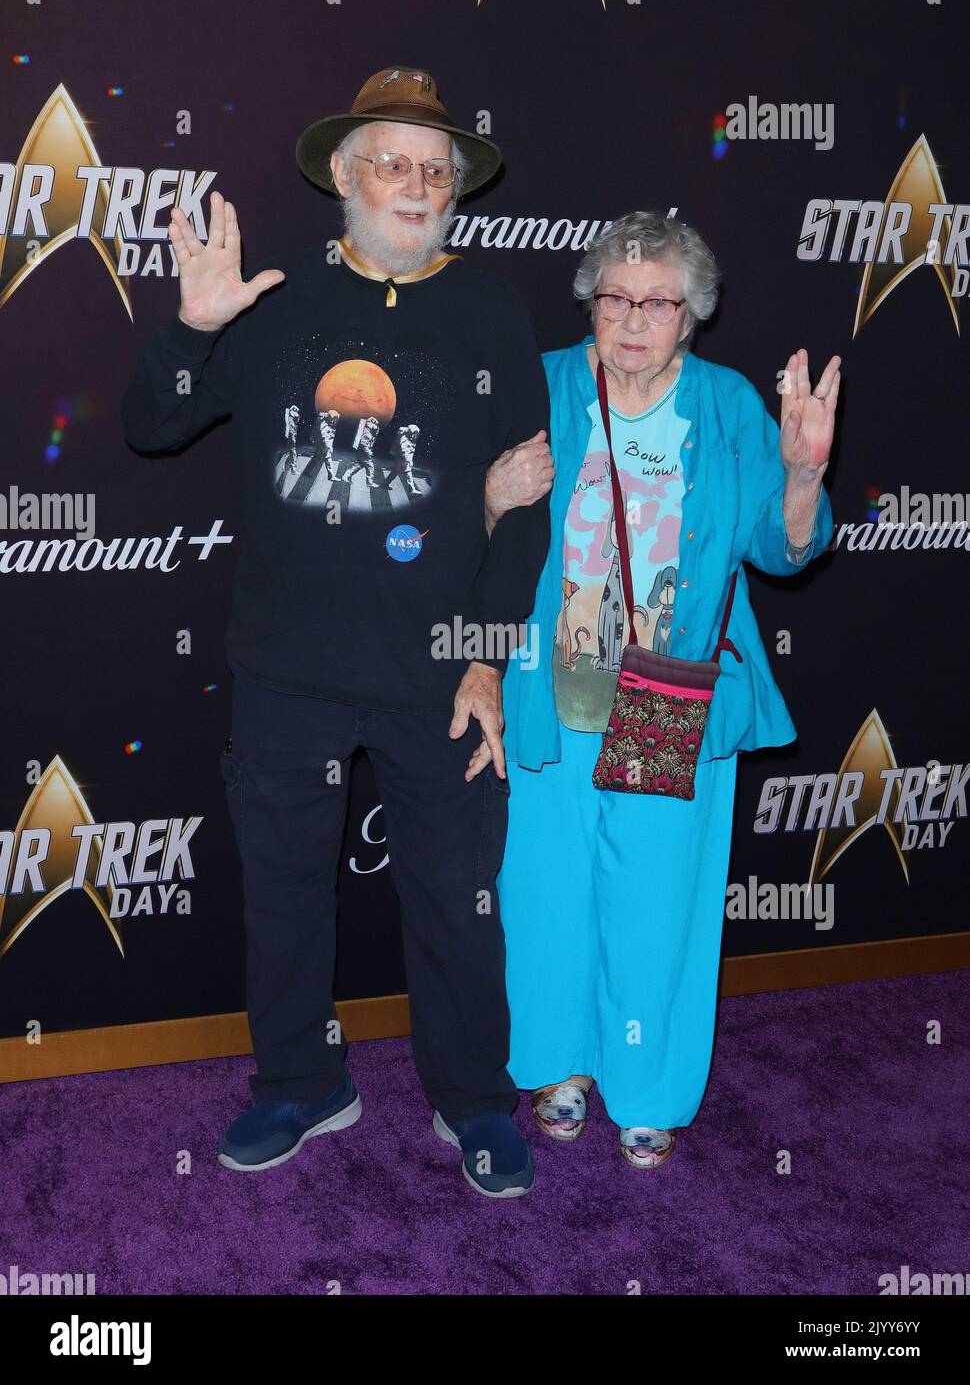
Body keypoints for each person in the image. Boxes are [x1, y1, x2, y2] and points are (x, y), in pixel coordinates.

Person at [120, 65, 555, 1198]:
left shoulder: (493, 312)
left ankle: (473, 1098)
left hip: (436, 675)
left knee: (459, 903)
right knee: (283, 892)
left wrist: (485, 651)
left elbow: (522, 502)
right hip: (286, 671)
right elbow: (150, 426)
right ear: (343, 178)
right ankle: (302, 1081)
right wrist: (189, 324)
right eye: (389, 162)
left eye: (432, 168)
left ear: (454, 190)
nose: (411, 184)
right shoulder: (274, 297)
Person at [483, 210, 839, 1167]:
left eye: (658, 303)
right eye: (616, 297)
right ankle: (558, 1063)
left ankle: (645, 1084)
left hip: (667, 687)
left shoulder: (726, 408)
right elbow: (466, 524)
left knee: (654, 894)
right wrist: (488, 498)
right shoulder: (544, 384)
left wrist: (802, 475)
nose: (634, 318)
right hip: (552, 682)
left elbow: (783, 545)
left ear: (693, 316)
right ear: (592, 303)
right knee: (547, 886)